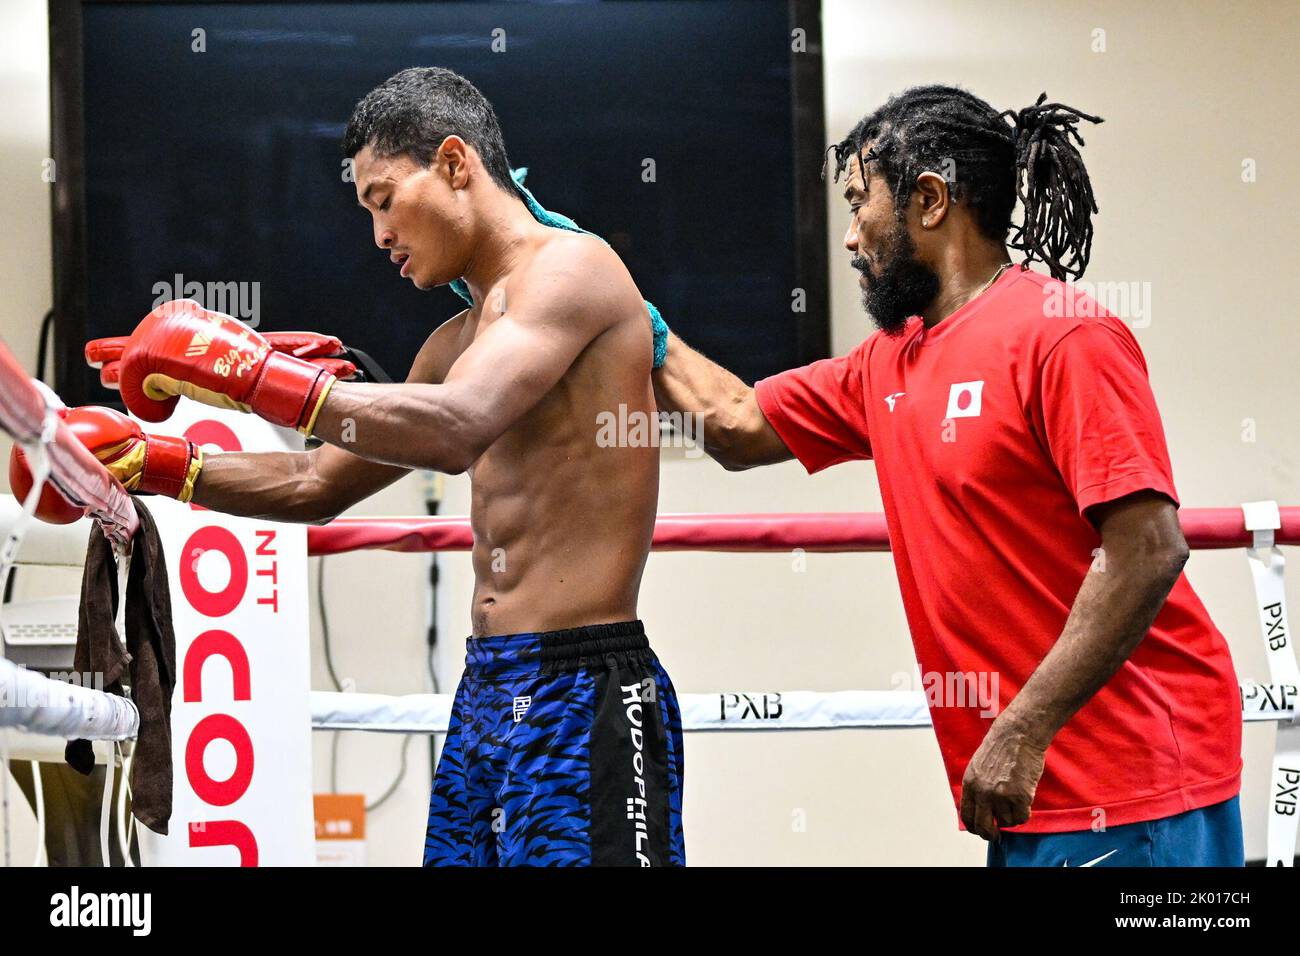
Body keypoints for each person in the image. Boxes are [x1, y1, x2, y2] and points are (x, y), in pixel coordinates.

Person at [29, 67, 684, 867]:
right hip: (488, 688)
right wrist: (151, 463)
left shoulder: (575, 269)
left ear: (454, 163)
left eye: (383, 199)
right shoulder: (453, 343)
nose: (378, 235)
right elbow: (317, 484)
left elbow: (458, 427)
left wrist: (251, 374)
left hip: (582, 687)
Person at [653, 86, 1243, 866]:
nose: (849, 236)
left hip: (1132, 786)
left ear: (930, 200)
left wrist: (1022, 730)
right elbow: (734, 423)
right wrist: (621, 305)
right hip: (1028, 794)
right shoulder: (887, 362)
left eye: (859, 202)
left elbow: (1149, 550)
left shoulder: (1063, 335)